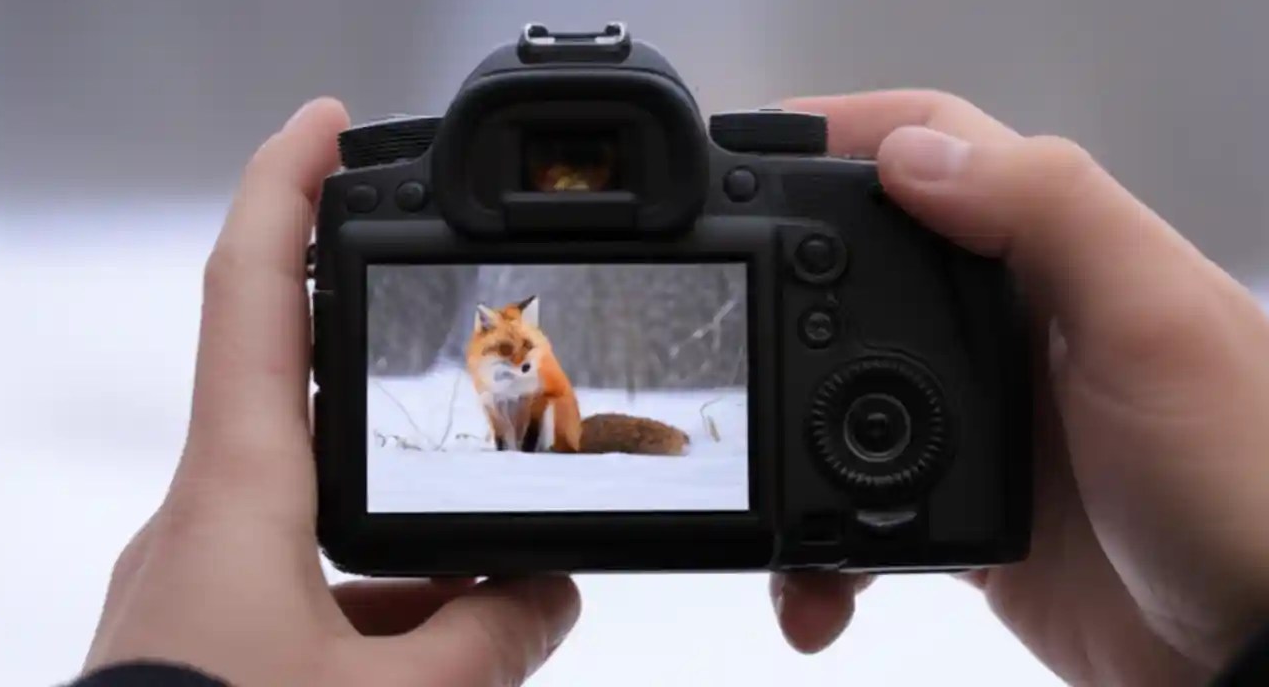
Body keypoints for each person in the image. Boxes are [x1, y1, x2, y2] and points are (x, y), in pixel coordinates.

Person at [67, 90, 1269, 687]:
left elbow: (553, 415)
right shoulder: (497, 357)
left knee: (577, 431)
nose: (505, 341)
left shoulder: (534, 361)